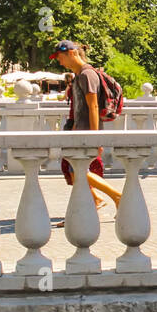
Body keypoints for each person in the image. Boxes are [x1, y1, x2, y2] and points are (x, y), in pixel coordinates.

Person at [50, 39, 109, 212]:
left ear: (72, 53)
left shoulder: (87, 74)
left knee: (77, 170)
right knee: (74, 171)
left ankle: (115, 197)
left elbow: (94, 106)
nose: (59, 61)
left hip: (86, 134)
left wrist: (95, 137)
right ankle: (95, 201)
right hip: (79, 132)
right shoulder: (79, 75)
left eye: (60, 57)